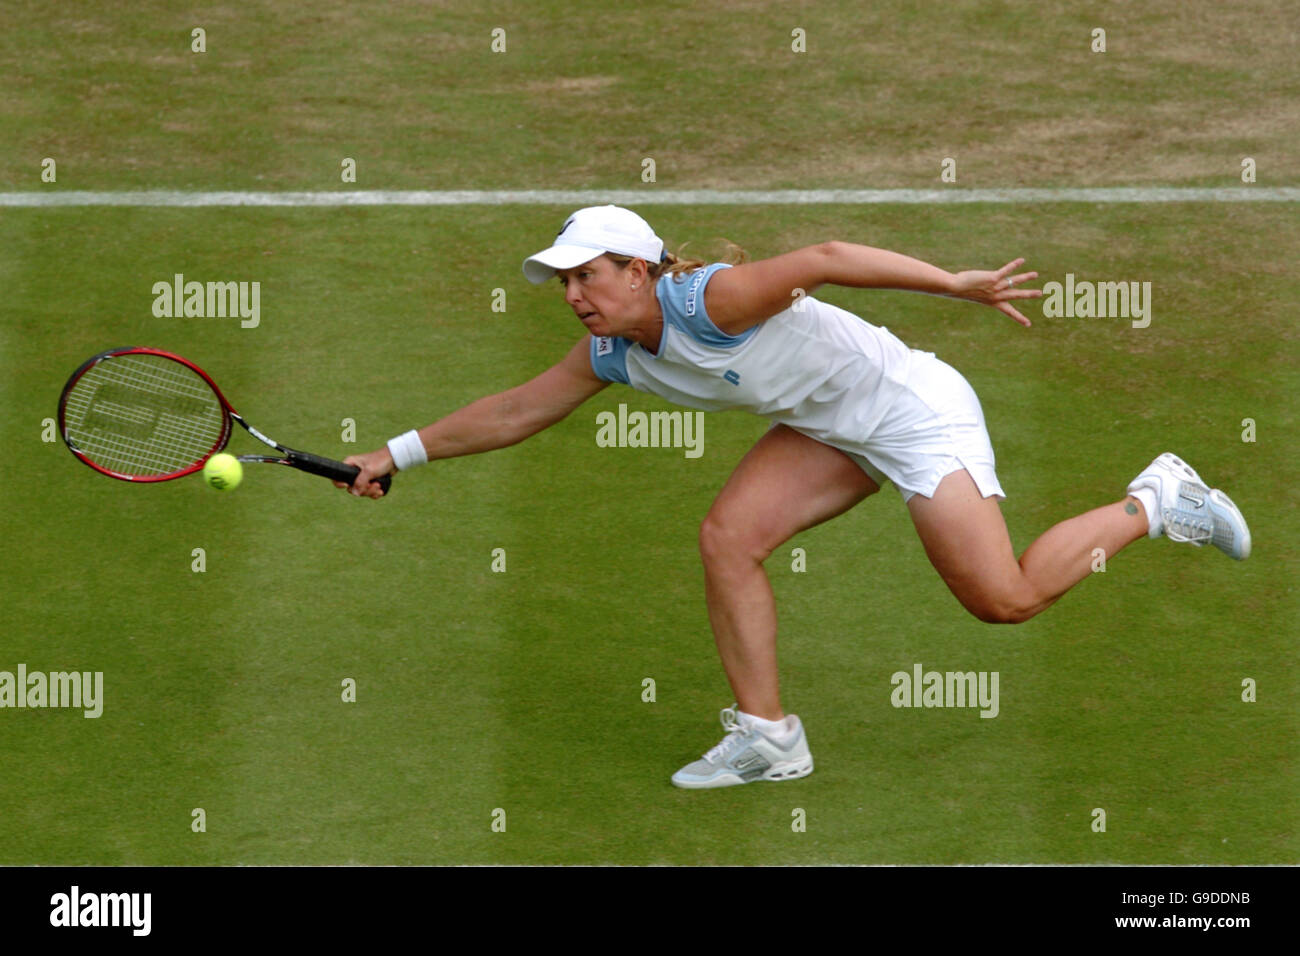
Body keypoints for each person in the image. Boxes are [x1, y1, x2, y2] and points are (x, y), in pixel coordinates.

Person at [338, 205, 1251, 789]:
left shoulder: (714, 301)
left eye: (589, 275)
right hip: (830, 428)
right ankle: (770, 740)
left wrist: (953, 285)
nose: (574, 295)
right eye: (566, 281)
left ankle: (1157, 500)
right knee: (727, 537)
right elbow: (512, 411)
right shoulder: (613, 353)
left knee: (1003, 600)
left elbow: (828, 254)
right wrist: (396, 453)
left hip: (911, 412)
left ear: (641, 271)